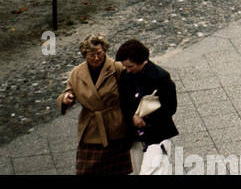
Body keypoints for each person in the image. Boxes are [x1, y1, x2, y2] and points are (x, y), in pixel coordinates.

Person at [59, 34, 132, 176]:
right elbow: (68, 91)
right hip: (91, 128)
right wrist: (65, 98)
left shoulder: (116, 68)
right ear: (85, 54)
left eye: (99, 53)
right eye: (91, 55)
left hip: (114, 127)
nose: (96, 58)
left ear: (104, 50)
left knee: (117, 172)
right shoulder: (77, 73)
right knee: (85, 171)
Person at [116, 39, 178, 175]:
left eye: (130, 66)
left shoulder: (160, 77)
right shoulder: (126, 77)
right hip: (135, 136)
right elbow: (123, 103)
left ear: (141, 61)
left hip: (157, 134)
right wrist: (132, 117)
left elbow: (170, 107)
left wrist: (147, 117)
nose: (127, 70)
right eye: (125, 66)